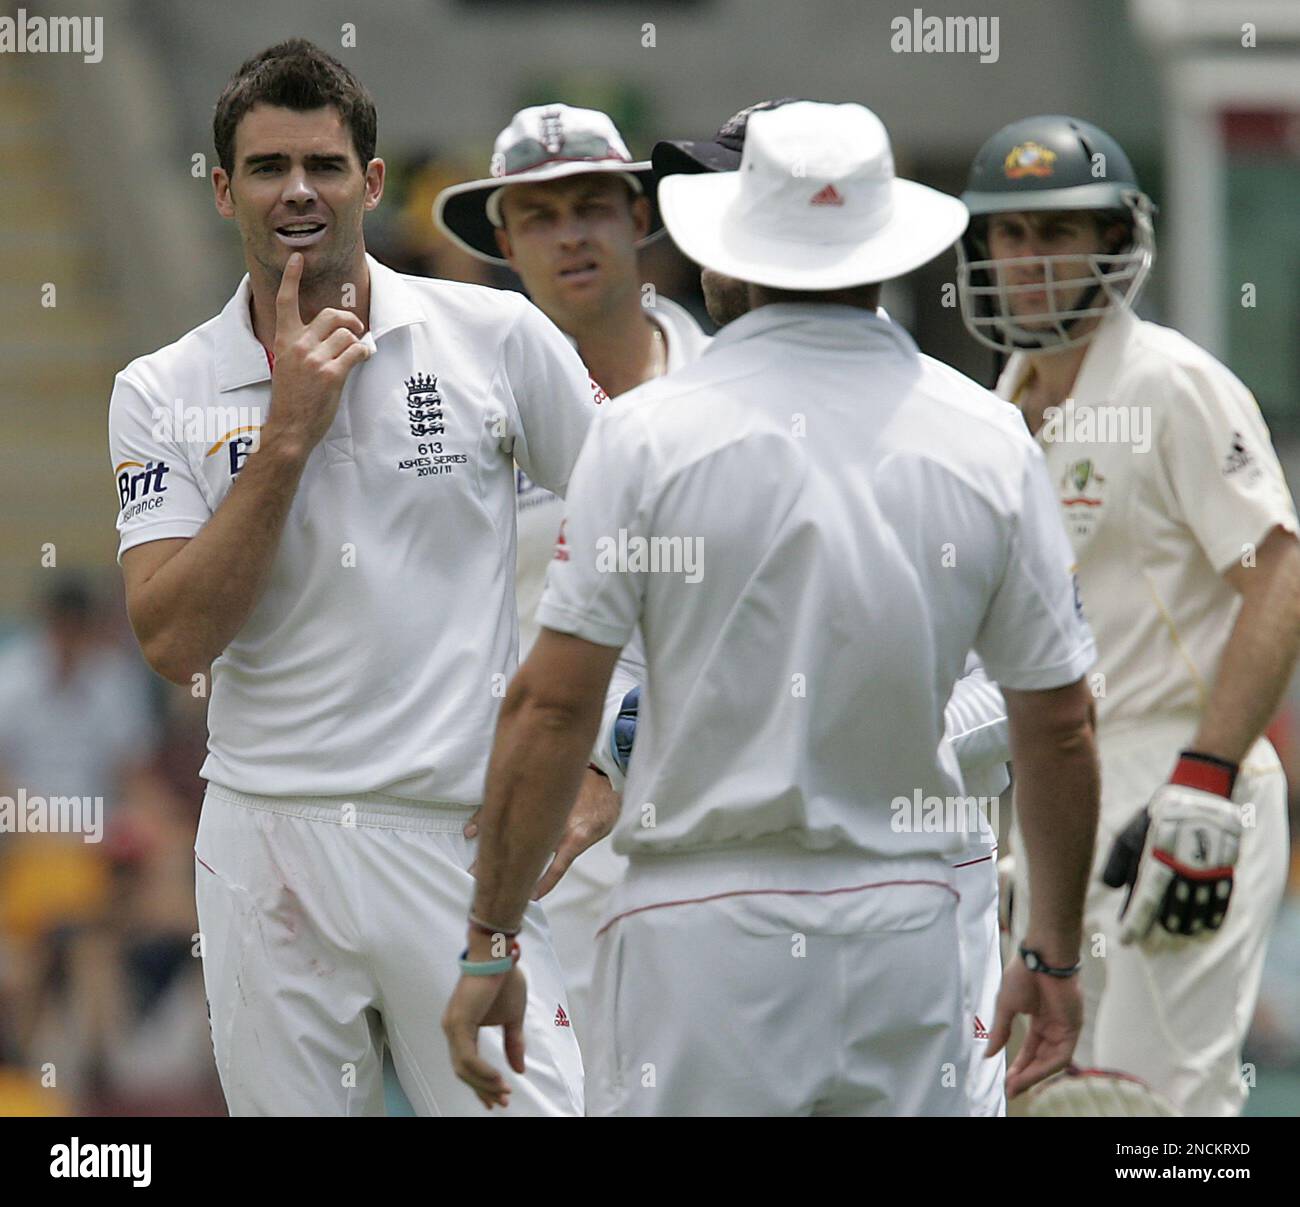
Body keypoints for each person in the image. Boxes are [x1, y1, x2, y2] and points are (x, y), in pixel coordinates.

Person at [444, 100, 1101, 1116]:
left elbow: (550, 703)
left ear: (730, 249)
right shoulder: (987, 434)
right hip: (912, 928)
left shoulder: (647, 435)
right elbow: (1058, 721)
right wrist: (1051, 952)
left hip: (705, 938)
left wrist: (489, 940)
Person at [107, 39, 596, 1116]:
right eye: (269, 166)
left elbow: (633, 539)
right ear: (223, 187)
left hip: (454, 835)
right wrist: (286, 439)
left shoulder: (497, 336)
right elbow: (175, 640)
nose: (298, 192)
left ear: (370, 183)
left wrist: (609, 749)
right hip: (265, 841)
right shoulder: (160, 389)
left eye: (324, 166)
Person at [652, 98, 1015, 1116]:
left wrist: (883, 740)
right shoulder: (664, 432)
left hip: (916, 911)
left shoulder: (959, 428)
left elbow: (1046, 691)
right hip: (718, 918)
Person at [957, 114, 1300, 1116]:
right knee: (1038, 1096)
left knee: (1164, 1104)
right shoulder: (998, 407)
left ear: (1114, 242)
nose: (1027, 259)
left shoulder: (1169, 383)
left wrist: (1206, 775)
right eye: (1010, 235)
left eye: (1056, 233)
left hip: (1174, 779)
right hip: (1045, 793)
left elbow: (1279, 574)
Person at [433, 106, 710, 1045]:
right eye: (541, 218)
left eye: (591, 206)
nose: (570, 236)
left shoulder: (728, 394)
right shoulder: (455, 408)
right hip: (524, 840)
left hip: (713, 815)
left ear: (640, 219)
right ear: (505, 240)